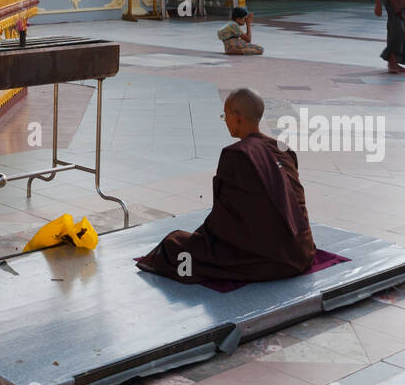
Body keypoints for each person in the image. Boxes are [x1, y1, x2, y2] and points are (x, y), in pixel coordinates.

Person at [135, 88, 316, 284]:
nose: (225, 120)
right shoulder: (283, 149)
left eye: (226, 114)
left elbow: (224, 221)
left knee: (174, 244)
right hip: (302, 252)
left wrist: (201, 238)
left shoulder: (237, 154)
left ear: (238, 117)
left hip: (271, 260)